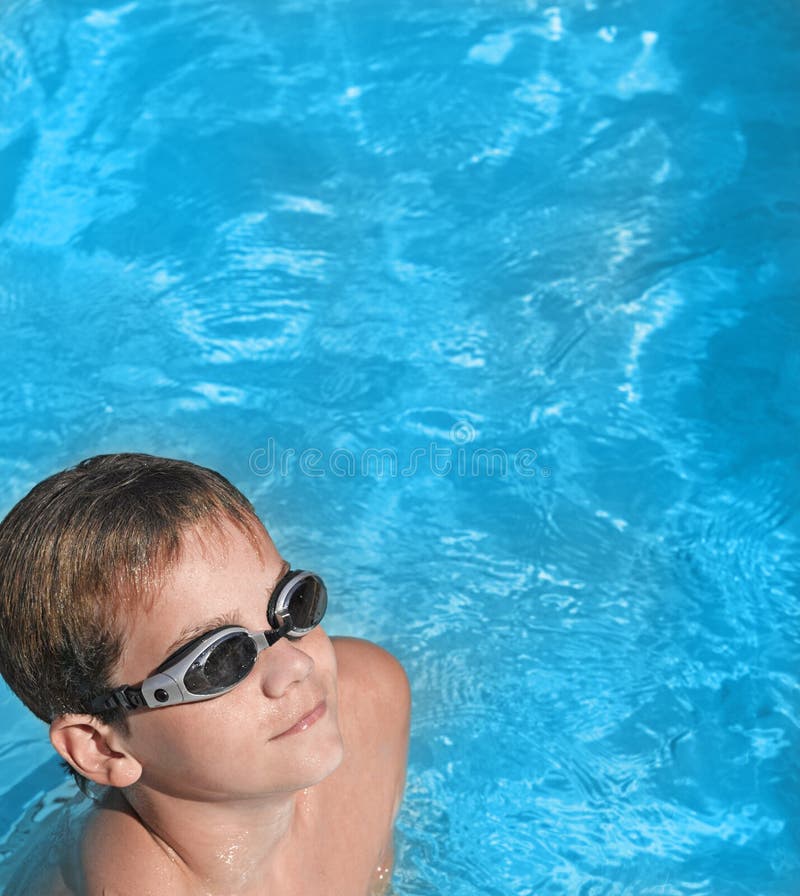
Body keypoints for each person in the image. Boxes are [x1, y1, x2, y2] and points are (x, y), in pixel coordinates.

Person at [0, 453, 410, 896]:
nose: (296, 665)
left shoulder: (368, 700)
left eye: (293, 603)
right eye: (218, 660)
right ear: (101, 747)